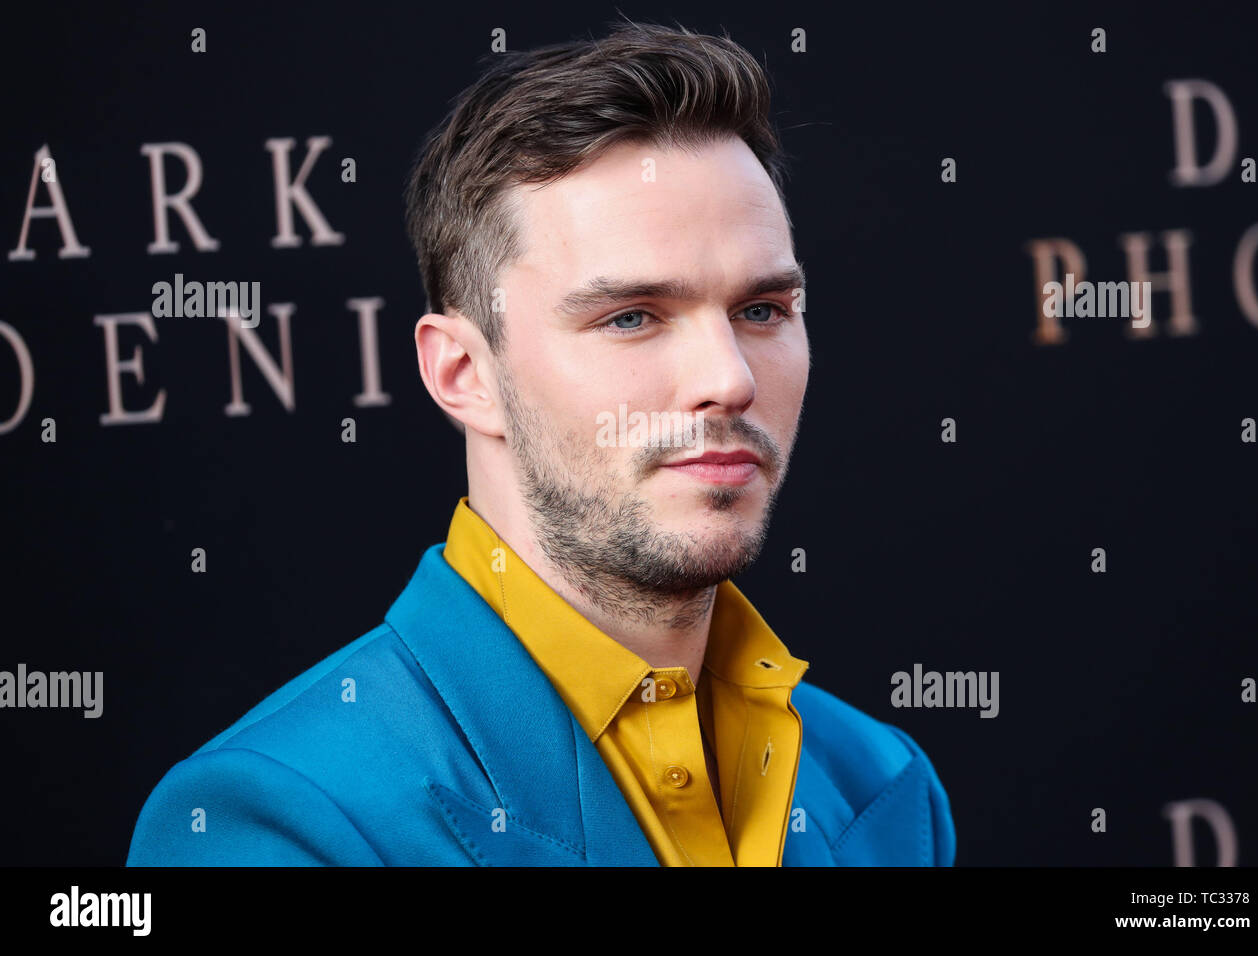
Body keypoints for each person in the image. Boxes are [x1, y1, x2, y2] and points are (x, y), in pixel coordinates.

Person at [127, 19, 955, 867]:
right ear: (463, 373)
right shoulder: (282, 817)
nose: (730, 378)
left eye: (762, 311)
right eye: (631, 317)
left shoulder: (883, 788)